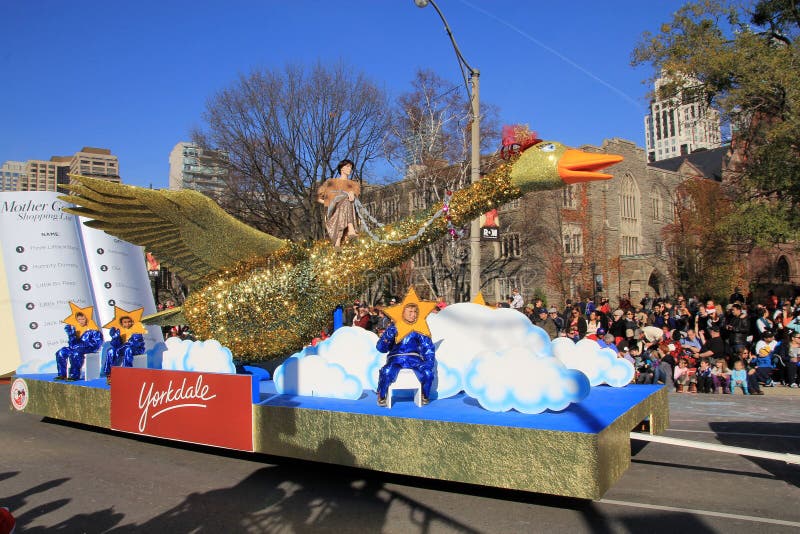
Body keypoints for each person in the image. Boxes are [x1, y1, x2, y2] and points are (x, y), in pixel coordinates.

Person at [375, 303, 436, 407]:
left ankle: (424, 395)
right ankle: (382, 394)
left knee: (428, 373)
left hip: (414, 360)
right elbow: (381, 348)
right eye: (410, 312)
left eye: (415, 312)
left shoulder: (419, 329)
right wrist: (388, 335)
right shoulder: (394, 327)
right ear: (403, 313)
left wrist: (428, 363)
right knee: (387, 371)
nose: (413, 314)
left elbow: (428, 348)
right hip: (395, 359)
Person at [317, 158, 360, 247]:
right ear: (341, 168)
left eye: (351, 167)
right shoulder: (331, 182)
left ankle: (338, 240)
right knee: (344, 200)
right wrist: (331, 203)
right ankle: (351, 228)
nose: (350, 169)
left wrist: (352, 193)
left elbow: (355, 199)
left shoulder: (354, 184)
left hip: (349, 212)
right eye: (347, 166)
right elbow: (318, 198)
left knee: (346, 200)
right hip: (333, 212)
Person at [55, 311, 103, 381]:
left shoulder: (93, 329)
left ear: (87, 319)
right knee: (61, 352)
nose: (81, 321)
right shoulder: (76, 328)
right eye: (79, 319)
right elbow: (72, 344)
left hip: (87, 349)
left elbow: (97, 344)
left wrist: (82, 346)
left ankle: (74, 375)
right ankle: (62, 374)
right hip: (75, 347)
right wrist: (71, 335)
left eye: (83, 319)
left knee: (75, 354)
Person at [103, 315, 146, 383]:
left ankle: (126, 372)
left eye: (129, 322)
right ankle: (110, 373)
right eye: (125, 322)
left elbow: (136, 343)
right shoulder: (120, 331)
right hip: (122, 348)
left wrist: (122, 347)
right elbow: (115, 344)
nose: (127, 323)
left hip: (135, 349)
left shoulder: (136, 330)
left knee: (128, 349)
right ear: (121, 323)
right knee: (110, 351)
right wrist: (115, 336)